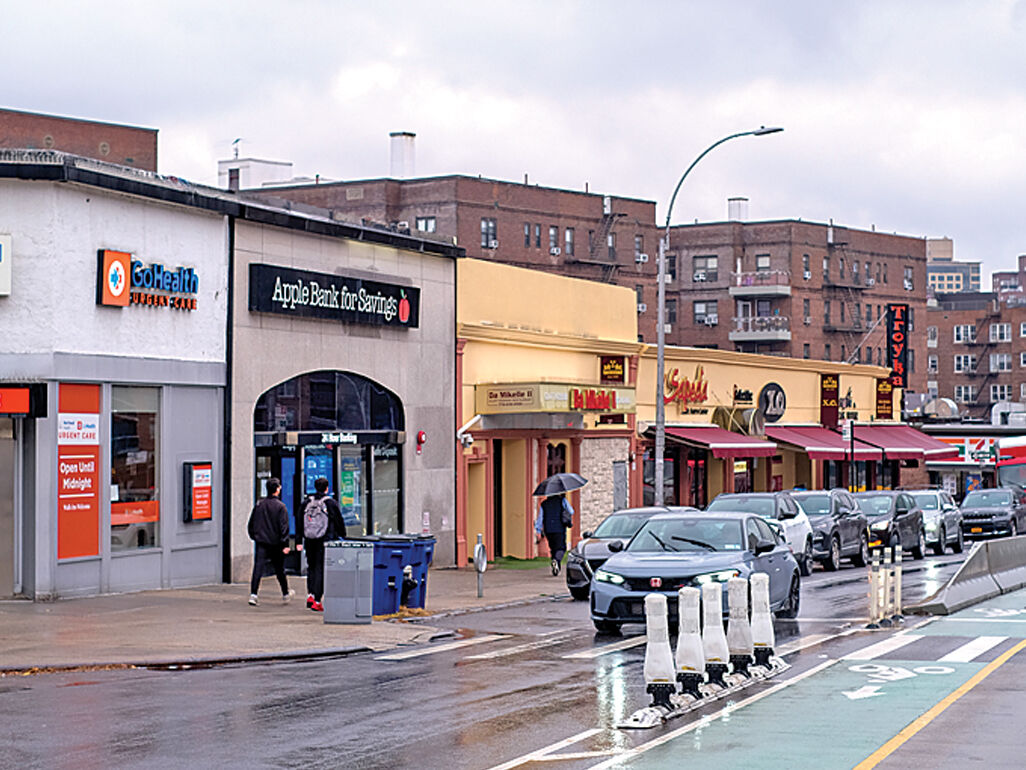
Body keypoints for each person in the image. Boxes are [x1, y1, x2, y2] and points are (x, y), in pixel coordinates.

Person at [298, 476, 346, 612]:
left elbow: (300, 521)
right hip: (324, 540)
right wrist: (342, 535)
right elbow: (339, 521)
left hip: (309, 539)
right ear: (327, 488)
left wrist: (299, 539)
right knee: (320, 568)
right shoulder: (330, 503)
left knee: (311, 567)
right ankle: (318, 600)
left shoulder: (307, 502)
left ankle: (310, 595)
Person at [247, 477, 295, 606]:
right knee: (279, 569)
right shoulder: (280, 506)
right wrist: (285, 543)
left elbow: (251, 523)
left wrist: (255, 536)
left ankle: (253, 594)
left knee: (258, 568)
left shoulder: (259, 505)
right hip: (276, 543)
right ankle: (285, 593)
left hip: (262, 541)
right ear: (277, 489)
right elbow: (284, 527)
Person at [535, 493, 574, 576]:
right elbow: (571, 511)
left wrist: (538, 531)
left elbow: (540, 518)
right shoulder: (562, 501)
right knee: (561, 548)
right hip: (559, 528)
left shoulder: (544, 504)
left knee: (553, 549)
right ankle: (556, 560)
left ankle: (556, 568)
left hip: (548, 529)